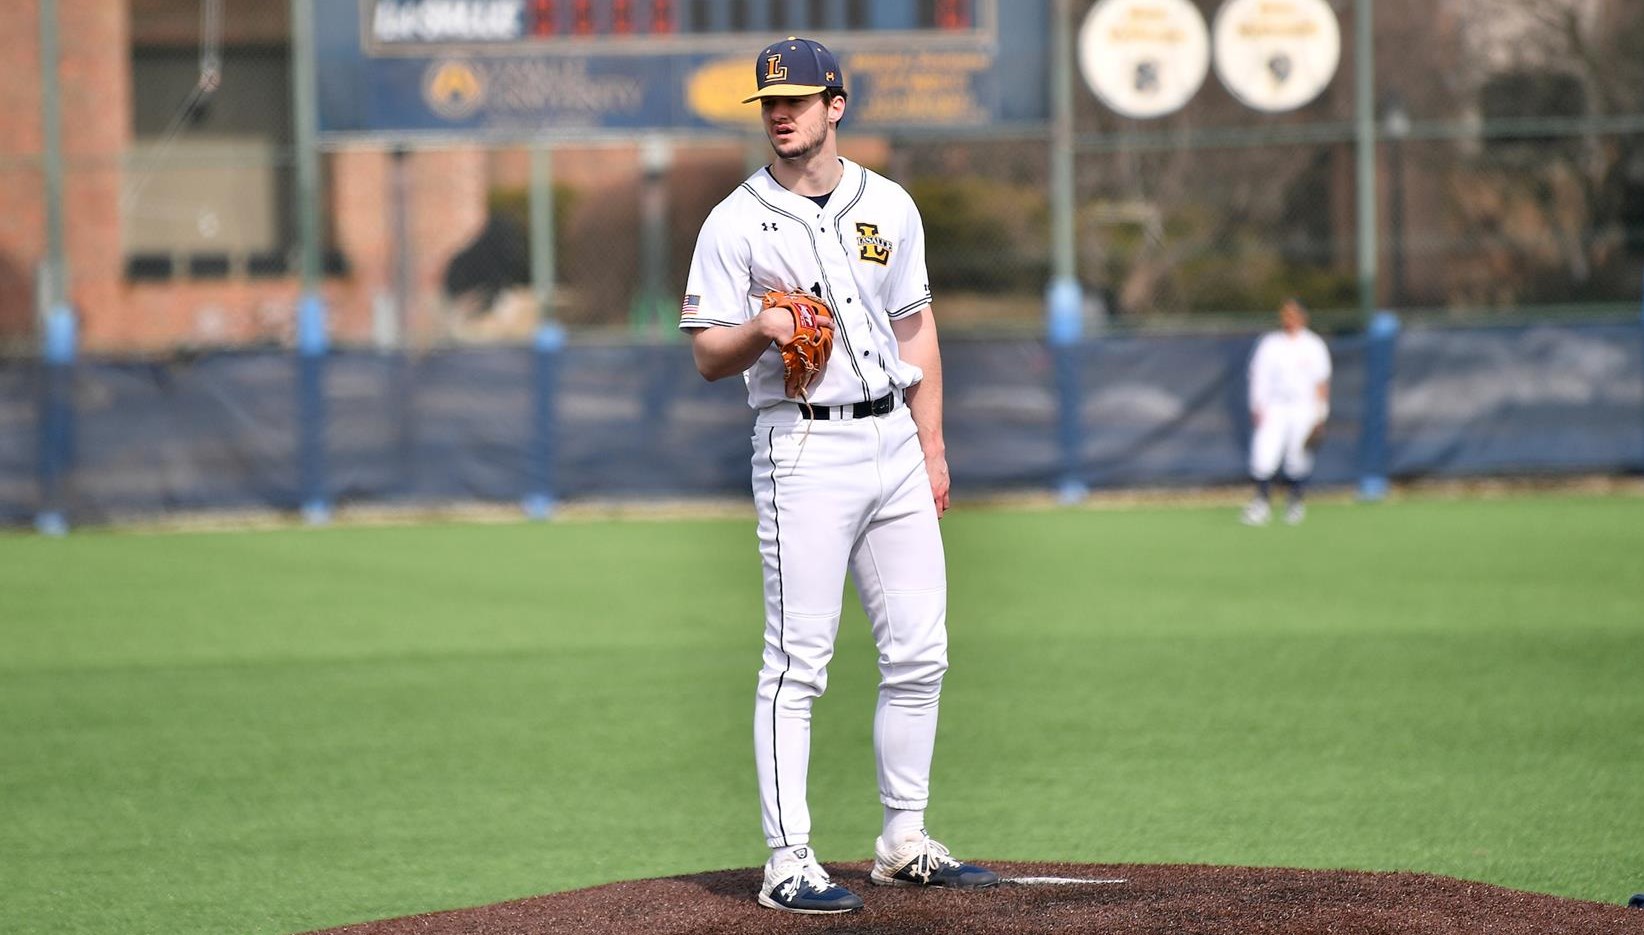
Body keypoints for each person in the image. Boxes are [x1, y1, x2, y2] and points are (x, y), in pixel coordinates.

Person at [679, 36, 999, 915]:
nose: (780, 112)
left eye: (797, 98)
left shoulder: (888, 205)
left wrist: (931, 446)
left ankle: (903, 840)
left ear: (836, 105)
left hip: (892, 439)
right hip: (803, 448)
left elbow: (916, 330)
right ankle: (788, 861)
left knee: (920, 650)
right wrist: (762, 330)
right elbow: (709, 354)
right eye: (768, 102)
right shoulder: (734, 221)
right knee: (797, 663)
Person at [1242, 298, 1333, 526]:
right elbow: (1258, 377)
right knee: (1264, 453)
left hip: (1303, 407)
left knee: (1298, 455)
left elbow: (1321, 383)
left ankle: (1295, 502)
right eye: (1285, 315)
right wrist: (1257, 406)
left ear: (1303, 318)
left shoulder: (1313, 345)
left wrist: (1321, 414)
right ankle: (1261, 503)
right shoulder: (1270, 344)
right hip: (1275, 406)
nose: (1288, 319)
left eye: (1293, 315)